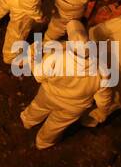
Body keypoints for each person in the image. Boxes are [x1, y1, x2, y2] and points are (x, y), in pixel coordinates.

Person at [19, 20, 115, 149]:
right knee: (56, 125)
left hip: (49, 95)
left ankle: (28, 121)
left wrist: (32, 58)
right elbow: (104, 97)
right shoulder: (102, 69)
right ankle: (43, 142)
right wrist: (102, 111)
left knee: (38, 107)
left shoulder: (56, 57)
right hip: (74, 107)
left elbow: (38, 76)